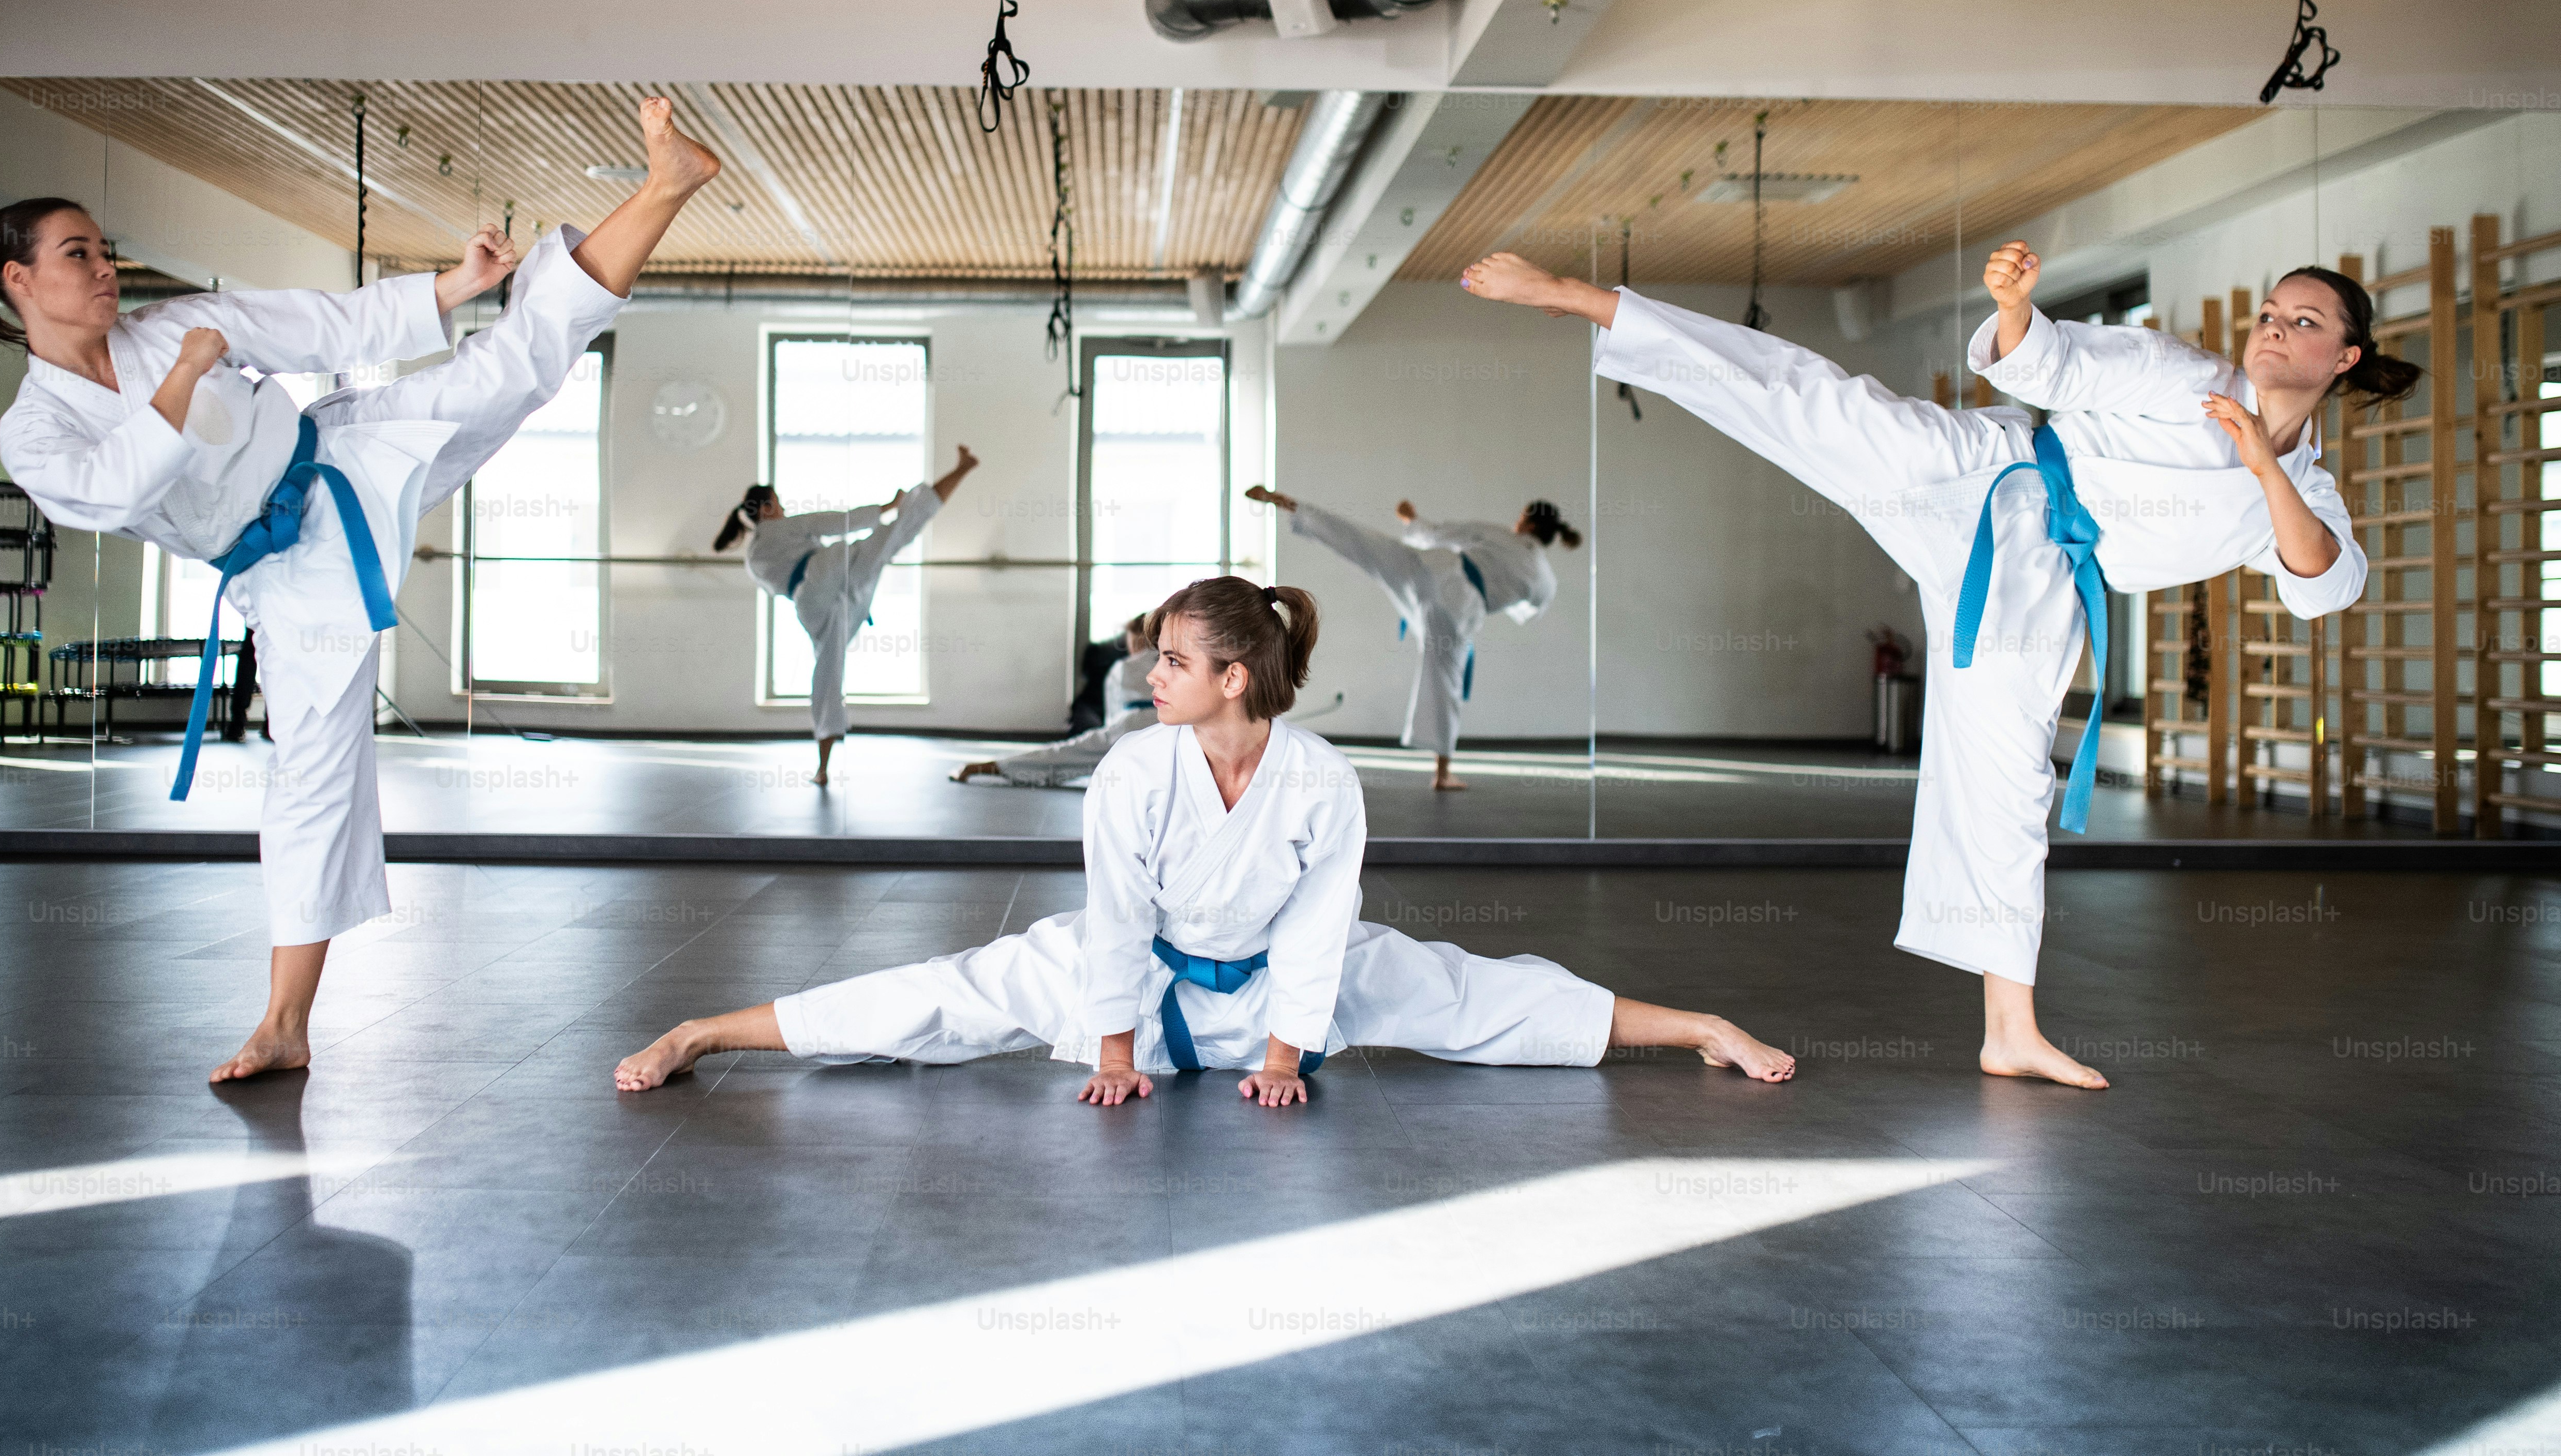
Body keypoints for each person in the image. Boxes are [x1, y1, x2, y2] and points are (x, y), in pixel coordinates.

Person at [0, 97, 723, 1083]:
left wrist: (454, 285)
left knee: (514, 364)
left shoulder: (176, 324)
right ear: (18, 278)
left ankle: (667, 182)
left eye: (106, 250)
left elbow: (319, 324)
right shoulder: (36, 430)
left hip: (346, 456)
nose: (106, 268)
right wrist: (185, 380)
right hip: (288, 578)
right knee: (310, 779)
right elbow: (115, 492)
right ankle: (285, 1024)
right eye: (78, 255)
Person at [1460, 242, 2410, 1089]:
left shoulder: (2304, 488)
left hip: (2038, 589)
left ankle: (2011, 1032)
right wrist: (2012, 311)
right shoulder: (2182, 376)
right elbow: (2060, 362)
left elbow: (2322, 579)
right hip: (1987, 473)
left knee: (2005, 786)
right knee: (1815, 400)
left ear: (2346, 357)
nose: (2276, 330)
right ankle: (1588, 302)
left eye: (2305, 321)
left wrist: (2262, 464)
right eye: (2270, 314)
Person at [615, 576, 1792, 1099]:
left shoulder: (1321, 778)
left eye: (1173, 659)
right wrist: (1116, 1051)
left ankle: (1696, 1025)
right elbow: (1120, 920)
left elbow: (1324, 924)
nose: (1152, 673)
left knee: (1472, 996)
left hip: (1288, 988)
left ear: (1235, 675)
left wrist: (1283, 1059)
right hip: (1135, 987)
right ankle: (703, 1030)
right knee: (940, 999)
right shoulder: (1135, 769)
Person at [1244, 486, 1579, 789]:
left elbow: (1437, 534)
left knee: (1368, 545)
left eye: (1520, 520)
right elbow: (1526, 610)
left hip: (1431, 569)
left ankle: (1292, 505)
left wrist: (1411, 519)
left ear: (1530, 524)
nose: (1516, 525)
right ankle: (1442, 772)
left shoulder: (1502, 536)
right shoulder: (1546, 581)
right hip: (1459, 610)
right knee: (1445, 682)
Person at [714, 447, 978, 785]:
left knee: (828, 674)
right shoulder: (778, 529)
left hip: (814, 604)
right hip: (829, 573)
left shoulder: (753, 558)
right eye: (778, 503)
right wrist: (885, 507)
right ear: (766, 508)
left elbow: (783, 585)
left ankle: (823, 768)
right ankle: (947, 480)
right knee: (897, 530)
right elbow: (833, 521)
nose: (783, 509)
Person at [952, 612, 1157, 785]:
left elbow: (1113, 720)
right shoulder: (1173, 662)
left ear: (1139, 637)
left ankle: (984, 768)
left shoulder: (1125, 668)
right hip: (1170, 727)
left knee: (1063, 756)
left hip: (1131, 728)